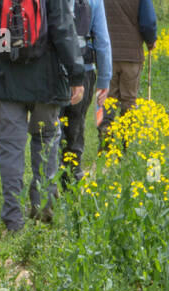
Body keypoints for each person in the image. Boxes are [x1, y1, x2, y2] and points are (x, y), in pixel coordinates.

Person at [0, 0, 86, 232]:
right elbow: (63, 26)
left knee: (10, 148)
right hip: (46, 80)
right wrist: (76, 74)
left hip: (2, 79)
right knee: (47, 139)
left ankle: (13, 218)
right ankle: (43, 207)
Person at [59, 0, 112, 189]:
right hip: (84, 71)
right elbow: (103, 42)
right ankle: (72, 184)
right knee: (75, 127)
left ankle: (49, 185)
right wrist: (104, 81)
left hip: (53, 73)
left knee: (50, 129)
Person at [97, 0, 156, 150]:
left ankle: (105, 144)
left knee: (107, 99)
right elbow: (148, 22)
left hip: (107, 55)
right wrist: (151, 41)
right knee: (129, 101)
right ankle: (127, 146)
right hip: (131, 56)